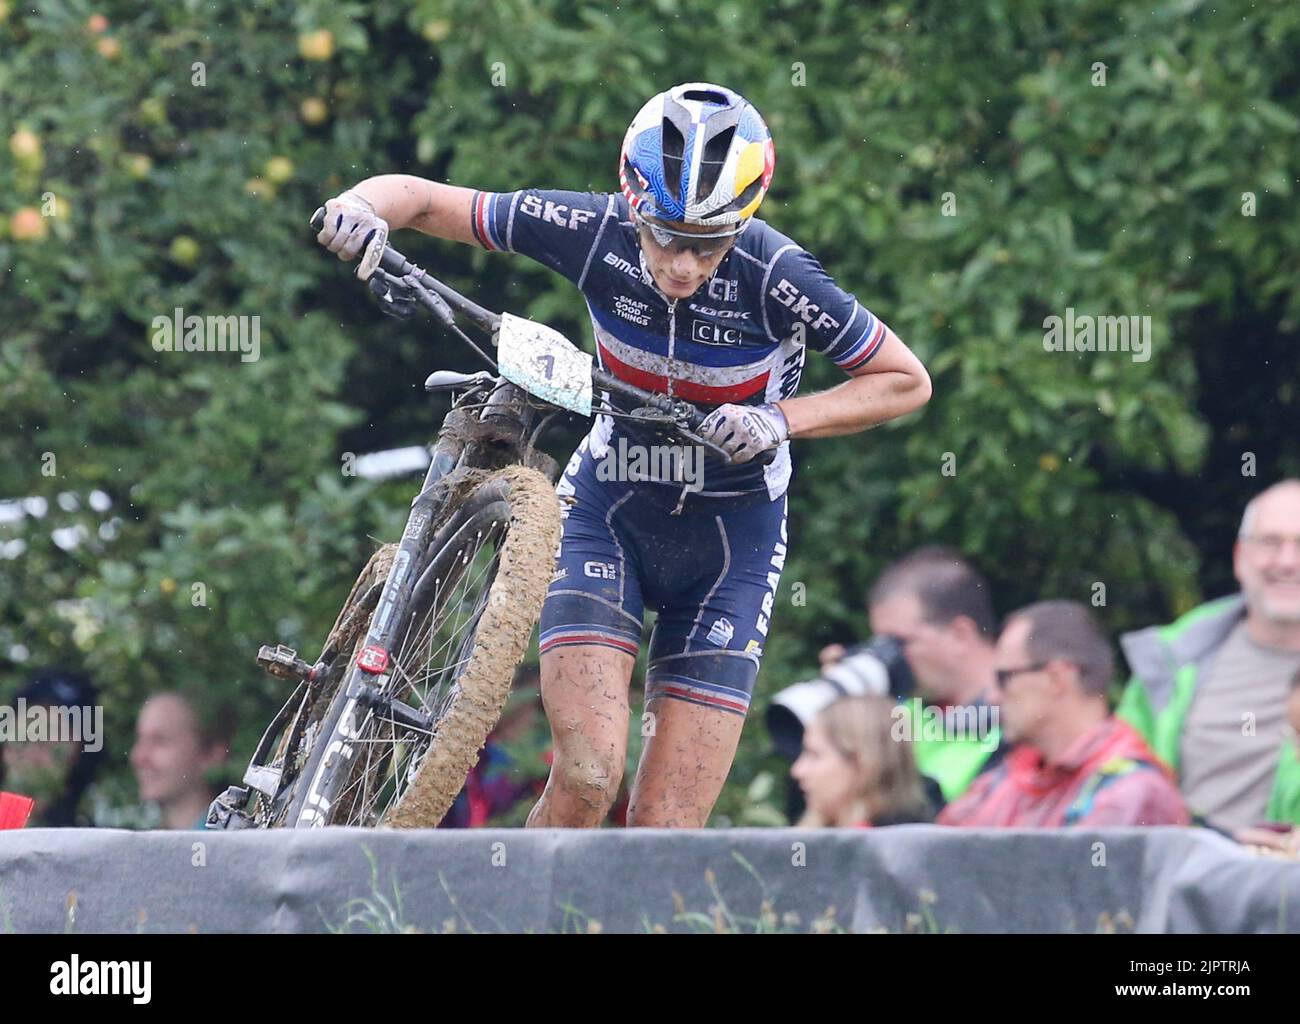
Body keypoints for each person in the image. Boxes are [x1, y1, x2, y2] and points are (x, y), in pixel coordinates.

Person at [314, 82, 932, 827]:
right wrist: (360, 205)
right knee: (586, 776)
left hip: (734, 538)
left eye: (709, 244)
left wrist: (778, 420)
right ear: (632, 203)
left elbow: (905, 380)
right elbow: (420, 198)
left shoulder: (775, 273)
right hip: (610, 507)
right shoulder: (591, 228)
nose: (683, 264)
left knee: (665, 828)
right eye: (664, 236)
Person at [1117, 480, 1300, 835]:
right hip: (1178, 865)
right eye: (1271, 542)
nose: (1287, 561)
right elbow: (1119, 774)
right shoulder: (1172, 661)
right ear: (1239, 558)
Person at [939, 601, 1189, 828]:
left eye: (1004, 678)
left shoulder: (1130, 792)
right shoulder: (1006, 780)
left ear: (1055, 679)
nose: (992, 697)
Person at [821, 547, 1006, 804]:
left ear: (960, 635)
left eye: (899, 643)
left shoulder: (1022, 713)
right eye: (881, 644)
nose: (890, 658)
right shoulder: (900, 714)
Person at [791, 695, 933, 827]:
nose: (798, 771)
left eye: (814, 755)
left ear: (863, 763)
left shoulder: (908, 842)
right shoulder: (813, 837)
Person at [0, 669, 104, 827]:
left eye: (52, 743)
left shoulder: (85, 837)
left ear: (77, 756)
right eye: (25, 739)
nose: (33, 755)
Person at [130, 692, 231, 830]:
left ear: (211, 753)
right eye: (140, 739)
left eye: (159, 740)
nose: (138, 757)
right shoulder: (149, 841)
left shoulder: (237, 839)